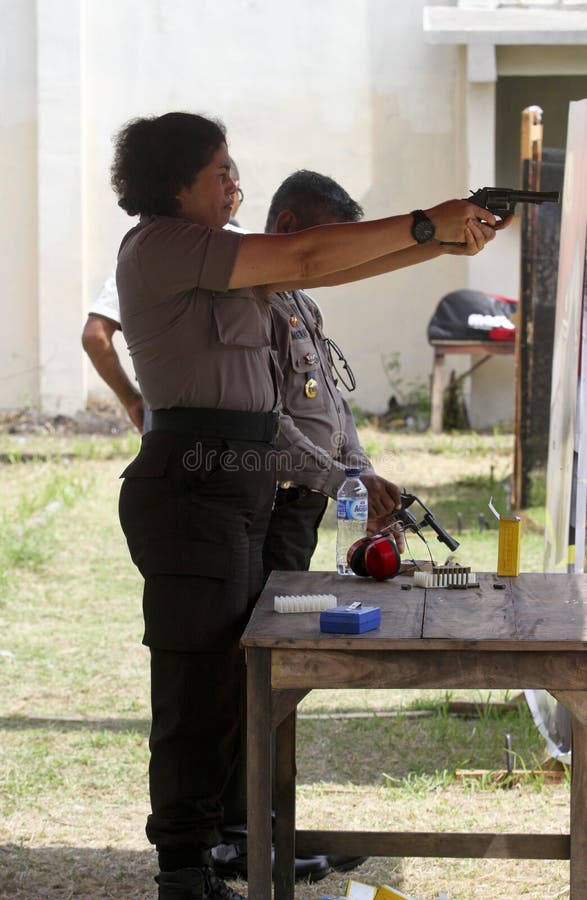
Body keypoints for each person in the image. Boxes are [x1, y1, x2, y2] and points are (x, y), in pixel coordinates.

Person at [111, 110, 503, 900]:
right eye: (219, 171)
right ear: (173, 185)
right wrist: (426, 222)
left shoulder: (216, 256)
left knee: (241, 674)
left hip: (239, 483)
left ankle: (229, 838)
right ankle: (184, 864)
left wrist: (433, 240)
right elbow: (307, 252)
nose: (234, 182)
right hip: (195, 485)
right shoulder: (164, 245)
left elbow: (319, 270)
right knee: (197, 682)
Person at [82, 159, 244, 434]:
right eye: (222, 180)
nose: (230, 193)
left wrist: (132, 400)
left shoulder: (143, 251)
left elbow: (95, 335)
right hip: (238, 428)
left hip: (166, 430)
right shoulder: (246, 246)